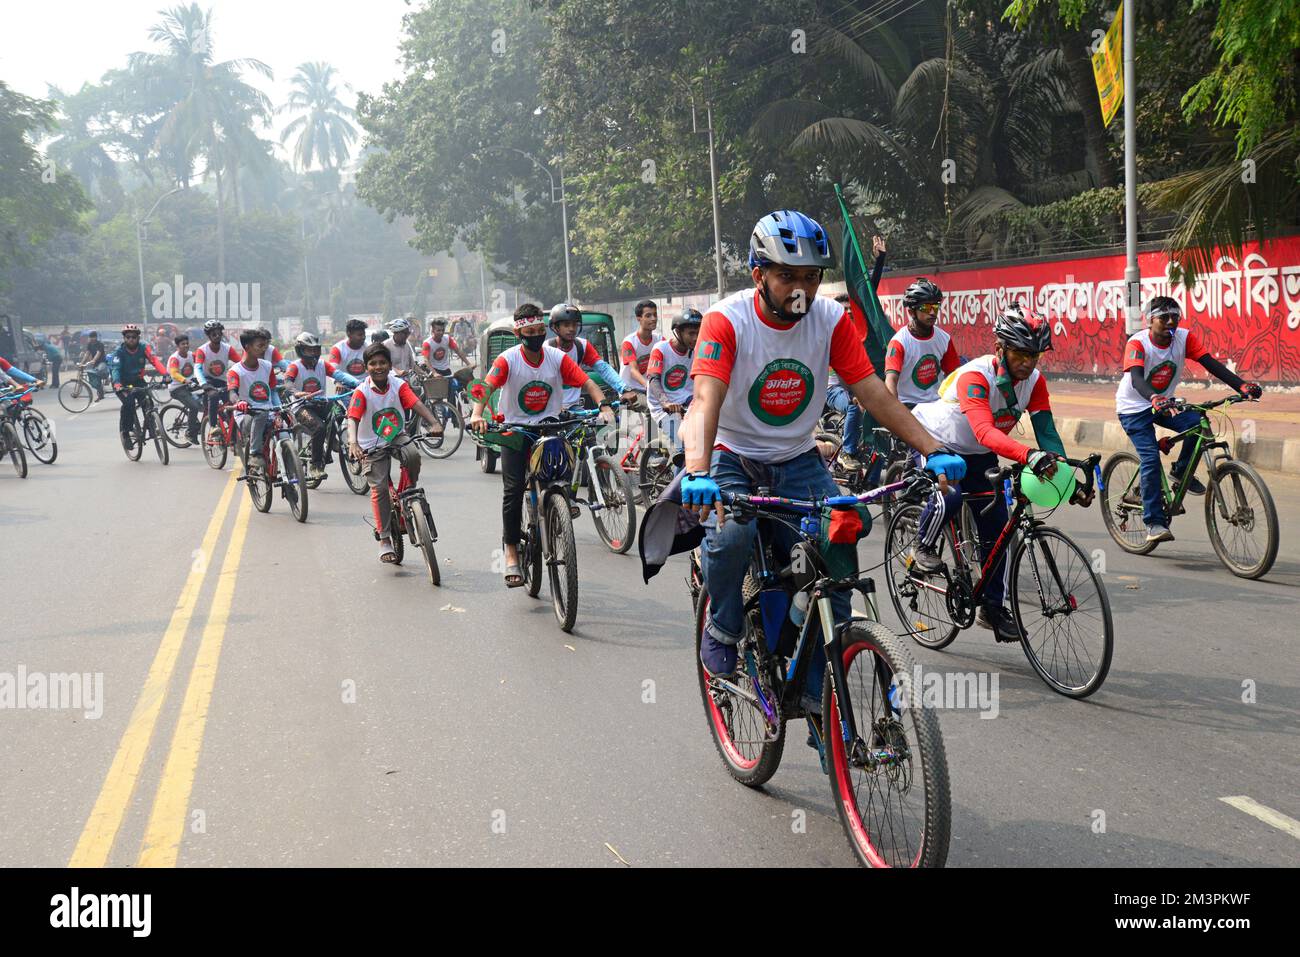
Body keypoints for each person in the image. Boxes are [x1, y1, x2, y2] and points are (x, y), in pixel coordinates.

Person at [678, 210, 965, 724]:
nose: (800, 290)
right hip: (731, 455)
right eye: (787, 276)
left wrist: (929, 446)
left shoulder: (831, 321)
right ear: (757, 274)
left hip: (798, 459)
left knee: (840, 539)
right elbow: (704, 401)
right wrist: (698, 470)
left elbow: (872, 391)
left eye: (811, 277)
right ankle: (723, 626)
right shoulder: (727, 320)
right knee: (732, 534)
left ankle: (816, 693)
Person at [909, 304, 1084, 641]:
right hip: (936, 441)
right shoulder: (976, 377)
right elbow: (984, 431)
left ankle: (992, 608)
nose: (1028, 363)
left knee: (999, 523)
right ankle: (923, 546)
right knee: (950, 496)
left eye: (1034, 355)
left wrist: (1067, 477)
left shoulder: (1034, 381)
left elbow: (1046, 432)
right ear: (1000, 348)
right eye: (1020, 353)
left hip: (979, 452)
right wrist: (1030, 455)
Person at [468, 303, 615, 587]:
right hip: (516, 430)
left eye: (538, 330)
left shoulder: (557, 358)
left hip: (550, 426)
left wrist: (604, 405)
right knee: (512, 491)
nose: (534, 335)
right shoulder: (507, 359)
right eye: (528, 331)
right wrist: (476, 414)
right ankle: (511, 551)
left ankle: (556, 507)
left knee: (559, 478)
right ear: (518, 333)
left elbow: (587, 383)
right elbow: (484, 388)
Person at [1115, 296, 1262, 543]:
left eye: (1175, 316)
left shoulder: (1183, 337)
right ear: (1149, 320)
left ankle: (1180, 471)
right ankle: (1153, 523)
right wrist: (1154, 397)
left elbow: (1211, 364)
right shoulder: (1137, 343)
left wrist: (1242, 385)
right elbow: (1137, 379)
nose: (1171, 322)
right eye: (1164, 317)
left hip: (1163, 403)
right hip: (1134, 407)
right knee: (1150, 458)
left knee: (1198, 424)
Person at [346, 342, 445, 563]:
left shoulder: (398, 385)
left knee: (413, 454)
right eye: (373, 363)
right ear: (366, 367)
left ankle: (408, 492)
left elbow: (416, 403)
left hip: (395, 436)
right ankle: (384, 540)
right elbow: (352, 418)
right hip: (370, 444)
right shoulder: (362, 392)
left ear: (390, 365)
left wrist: (434, 422)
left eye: (383, 363)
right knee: (379, 488)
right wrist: (353, 443)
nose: (378, 367)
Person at [283, 332, 361, 481]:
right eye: (308, 350)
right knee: (319, 428)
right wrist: (297, 392)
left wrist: (358, 383)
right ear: (300, 351)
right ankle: (315, 466)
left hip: (322, 402)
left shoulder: (322, 365)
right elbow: (287, 383)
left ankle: (331, 441)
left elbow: (339, 375)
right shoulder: (295, 366)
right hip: (302, 406)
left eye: (315, 350)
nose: (312, 353)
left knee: (339, 412)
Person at [884, 278, 961, 408]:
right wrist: (894, 412)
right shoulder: (899, 342)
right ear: (911, 312)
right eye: (925, 307)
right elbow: (891, 381)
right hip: (909, 407)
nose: (932, 312)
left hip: (938, 406)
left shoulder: (944, 339)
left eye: (935, 306)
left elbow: (955, 377)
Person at [110, 323, 183, 446]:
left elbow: (154, 361)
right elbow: (115, 369)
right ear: (124, 338)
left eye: (133, 337)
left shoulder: (144, 347)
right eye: (128, 337)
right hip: (122, 382)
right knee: (129, 404)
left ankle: (150, 426)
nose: (131, 339)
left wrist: (165, 374)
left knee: (148, 401)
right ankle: (126, 432)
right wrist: (117, 384)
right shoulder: (119, 352)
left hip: (138, 380)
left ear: (138, 338)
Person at [225, 327, 282, 473]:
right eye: (260, 345)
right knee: (261, 413)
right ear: (247, 347)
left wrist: (279, 410)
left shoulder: (267, 366)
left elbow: (273, 391)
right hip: (246, 416)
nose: (264, 349)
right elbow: (232, 393)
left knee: (286, 434)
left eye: (265, 345)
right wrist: (239, 403)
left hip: (268, 412)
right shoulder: (235, 371)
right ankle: (255, 454)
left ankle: (291, 473)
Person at [646, 307, 700, 458]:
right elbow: (653, 379)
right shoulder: (660, 349)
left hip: (687, 401)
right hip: (663, 407)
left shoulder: (696, 351)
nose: (695, 338)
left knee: (709, 439)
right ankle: (679, 481)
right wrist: (665, 402)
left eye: (698, 333)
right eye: (691, 333)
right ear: (678, 331)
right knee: (684, 448)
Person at [545, 302, 622, 410]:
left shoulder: (582, 346)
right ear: (555, 327)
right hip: (549, 408)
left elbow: (603, 368)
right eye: (566, 325)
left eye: (574, 324)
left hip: (574, 407)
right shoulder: (547, 349)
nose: (571, 329)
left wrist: (624, 388)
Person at [193, 319, 242, 436]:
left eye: (219, 333)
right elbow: (197, 368)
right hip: (208, 381)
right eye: (213, 334)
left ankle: (234, 435)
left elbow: (241, 364)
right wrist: (204, 384)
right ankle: (213, 426)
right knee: (213, 396)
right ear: (208, 335)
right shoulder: (202, 350)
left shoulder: (227, 348)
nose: (216, 336)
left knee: (233, 403)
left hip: (223, 381)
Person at [618, 300, 662, 409]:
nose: (653, 318)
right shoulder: (629, 342)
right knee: (651, 407)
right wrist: (650, 386)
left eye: (655, 315)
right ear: (639, 318)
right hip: (631, 390)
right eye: (648, 315)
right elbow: (633, 371)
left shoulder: (660, 340)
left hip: (651, 388)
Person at [166, 333, 202, 444]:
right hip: (177, 388)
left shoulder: (192, 355)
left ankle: (199, 424)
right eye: (183, 344)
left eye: (187, 343)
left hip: (189, 385)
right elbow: (174, 373)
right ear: (177, 346)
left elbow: (202, 363)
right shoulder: (174, 358)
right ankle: (190, 433)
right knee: (194, 407)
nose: (186, 345)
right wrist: (185, 380)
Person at [80, 331, 108, 401]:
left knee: (100, 371)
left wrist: (94, 360)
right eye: (90, 337)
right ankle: (101, 393)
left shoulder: (100, 344)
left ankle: (107, 377)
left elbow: (98, 353)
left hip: (102, 362)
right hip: (95, 364)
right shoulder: (89, 344)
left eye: (93, 337)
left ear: (96, 337)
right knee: (93, 377)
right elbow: (87, 353)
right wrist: (82, 363)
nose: (91, 339)